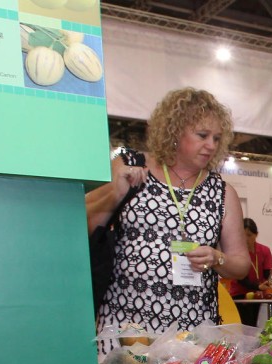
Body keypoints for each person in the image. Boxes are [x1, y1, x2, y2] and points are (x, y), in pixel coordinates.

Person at [86, 88, 248, 350]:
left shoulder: (222, 191)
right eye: (202, 135)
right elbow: (88, 225)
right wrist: (115, 193)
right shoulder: (131, 165)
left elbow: (240, 265)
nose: (211, 145)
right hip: (125, 324)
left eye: (217, 138)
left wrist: (217, 258)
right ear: (175, 130)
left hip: (192, 333)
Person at [229, 218, 272, 326]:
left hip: (258, 294)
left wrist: (269, 280)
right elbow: (241, 279)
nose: (245, 239)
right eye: (243, 235)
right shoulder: (237, 252)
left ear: (256, 234)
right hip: (240, 294)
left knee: (255, 324)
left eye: (249, 235)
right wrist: (258, 287)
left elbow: (267, 273)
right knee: (245, 324)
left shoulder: (264, 250)